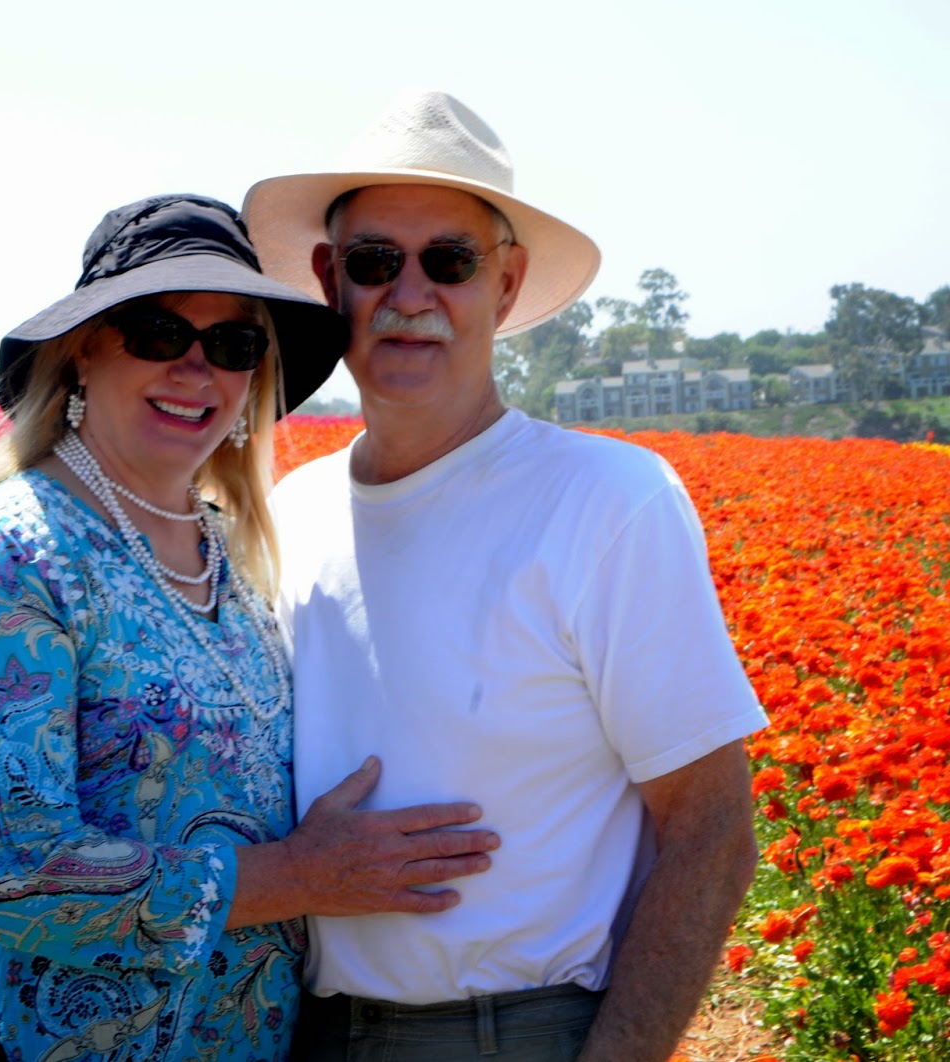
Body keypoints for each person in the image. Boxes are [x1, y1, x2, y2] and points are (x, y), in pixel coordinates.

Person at [0, 194, 500, 1062]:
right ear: (82, 351)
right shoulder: (18, 548)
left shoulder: (229, 552)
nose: (197, 369)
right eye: (158, 333)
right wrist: (301, 877)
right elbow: (24, 881)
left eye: (233, 345)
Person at [242, 91, 768, 1062]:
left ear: (507, 284)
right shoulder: (285, 514)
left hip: (519, 1034)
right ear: (327, 280)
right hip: (306, 1033)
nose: (409, 296)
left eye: (448, 261)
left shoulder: (606, 500)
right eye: (372, 263)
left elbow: (710, 830)